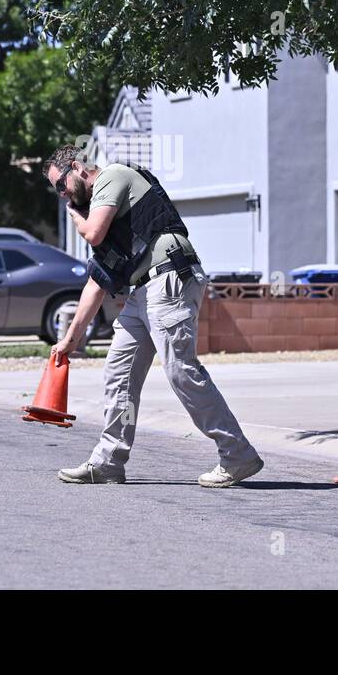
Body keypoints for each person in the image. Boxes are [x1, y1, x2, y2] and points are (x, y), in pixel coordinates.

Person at [42, 145, 263, 488]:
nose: (64, 197)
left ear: (77, 167)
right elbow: (96, 282)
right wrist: (70, 338)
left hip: (168, 280)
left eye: (62, 187)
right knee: (119, 372)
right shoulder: (111, 217)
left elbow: (92, 232)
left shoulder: (111, 177)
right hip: (141, 292)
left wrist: (74, 213)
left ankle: (237, 454)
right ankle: (108, 461)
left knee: (181, 371)